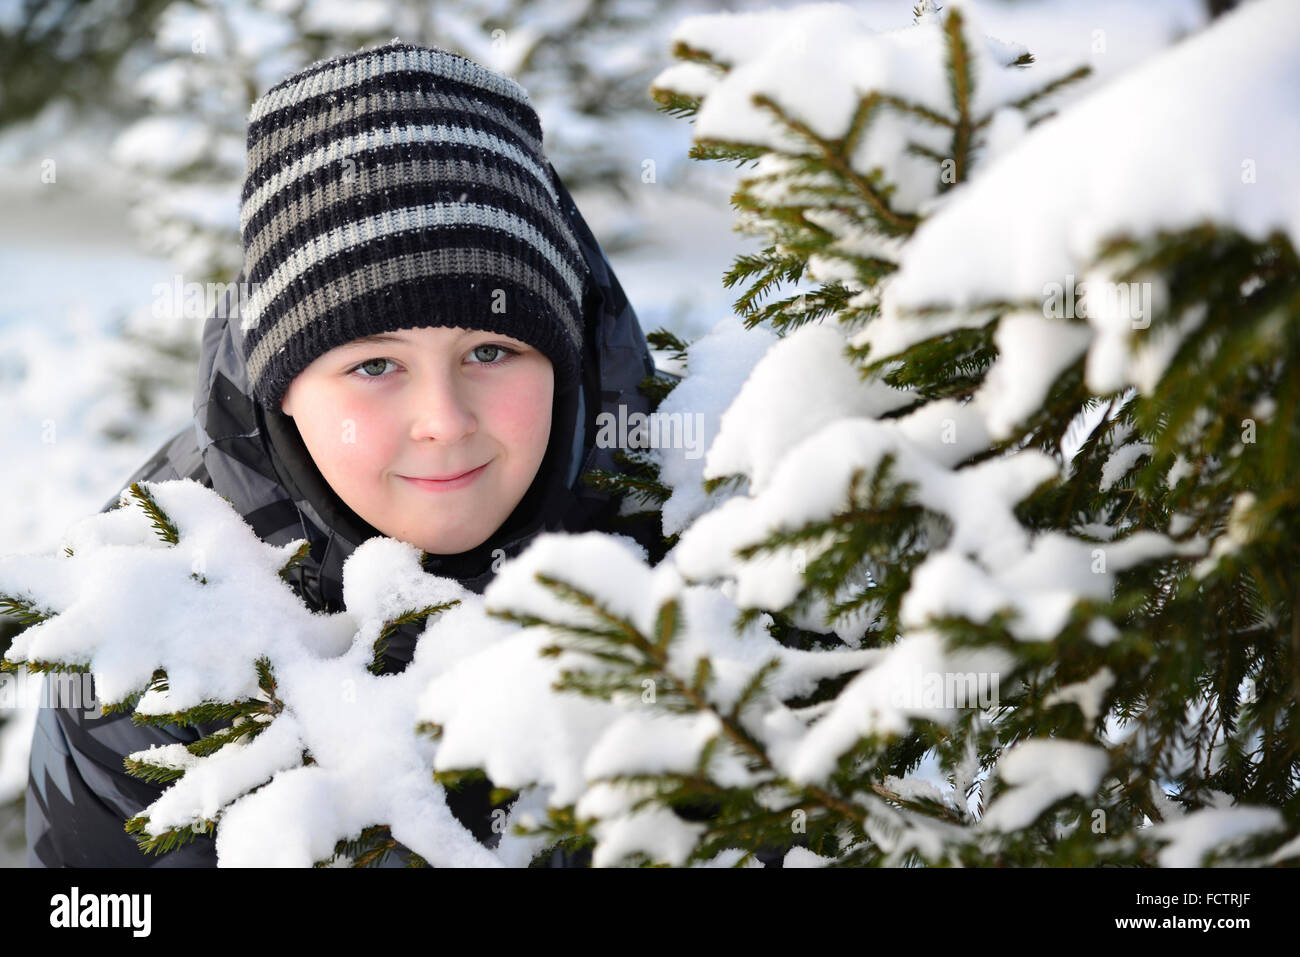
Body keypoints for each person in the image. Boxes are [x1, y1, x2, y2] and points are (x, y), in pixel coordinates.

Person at [25, 40, 672, 868]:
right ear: (284, 389)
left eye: (491, 351)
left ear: (564, 358)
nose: (443, 421)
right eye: (374, 365)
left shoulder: (706, 518)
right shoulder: (155, 607)